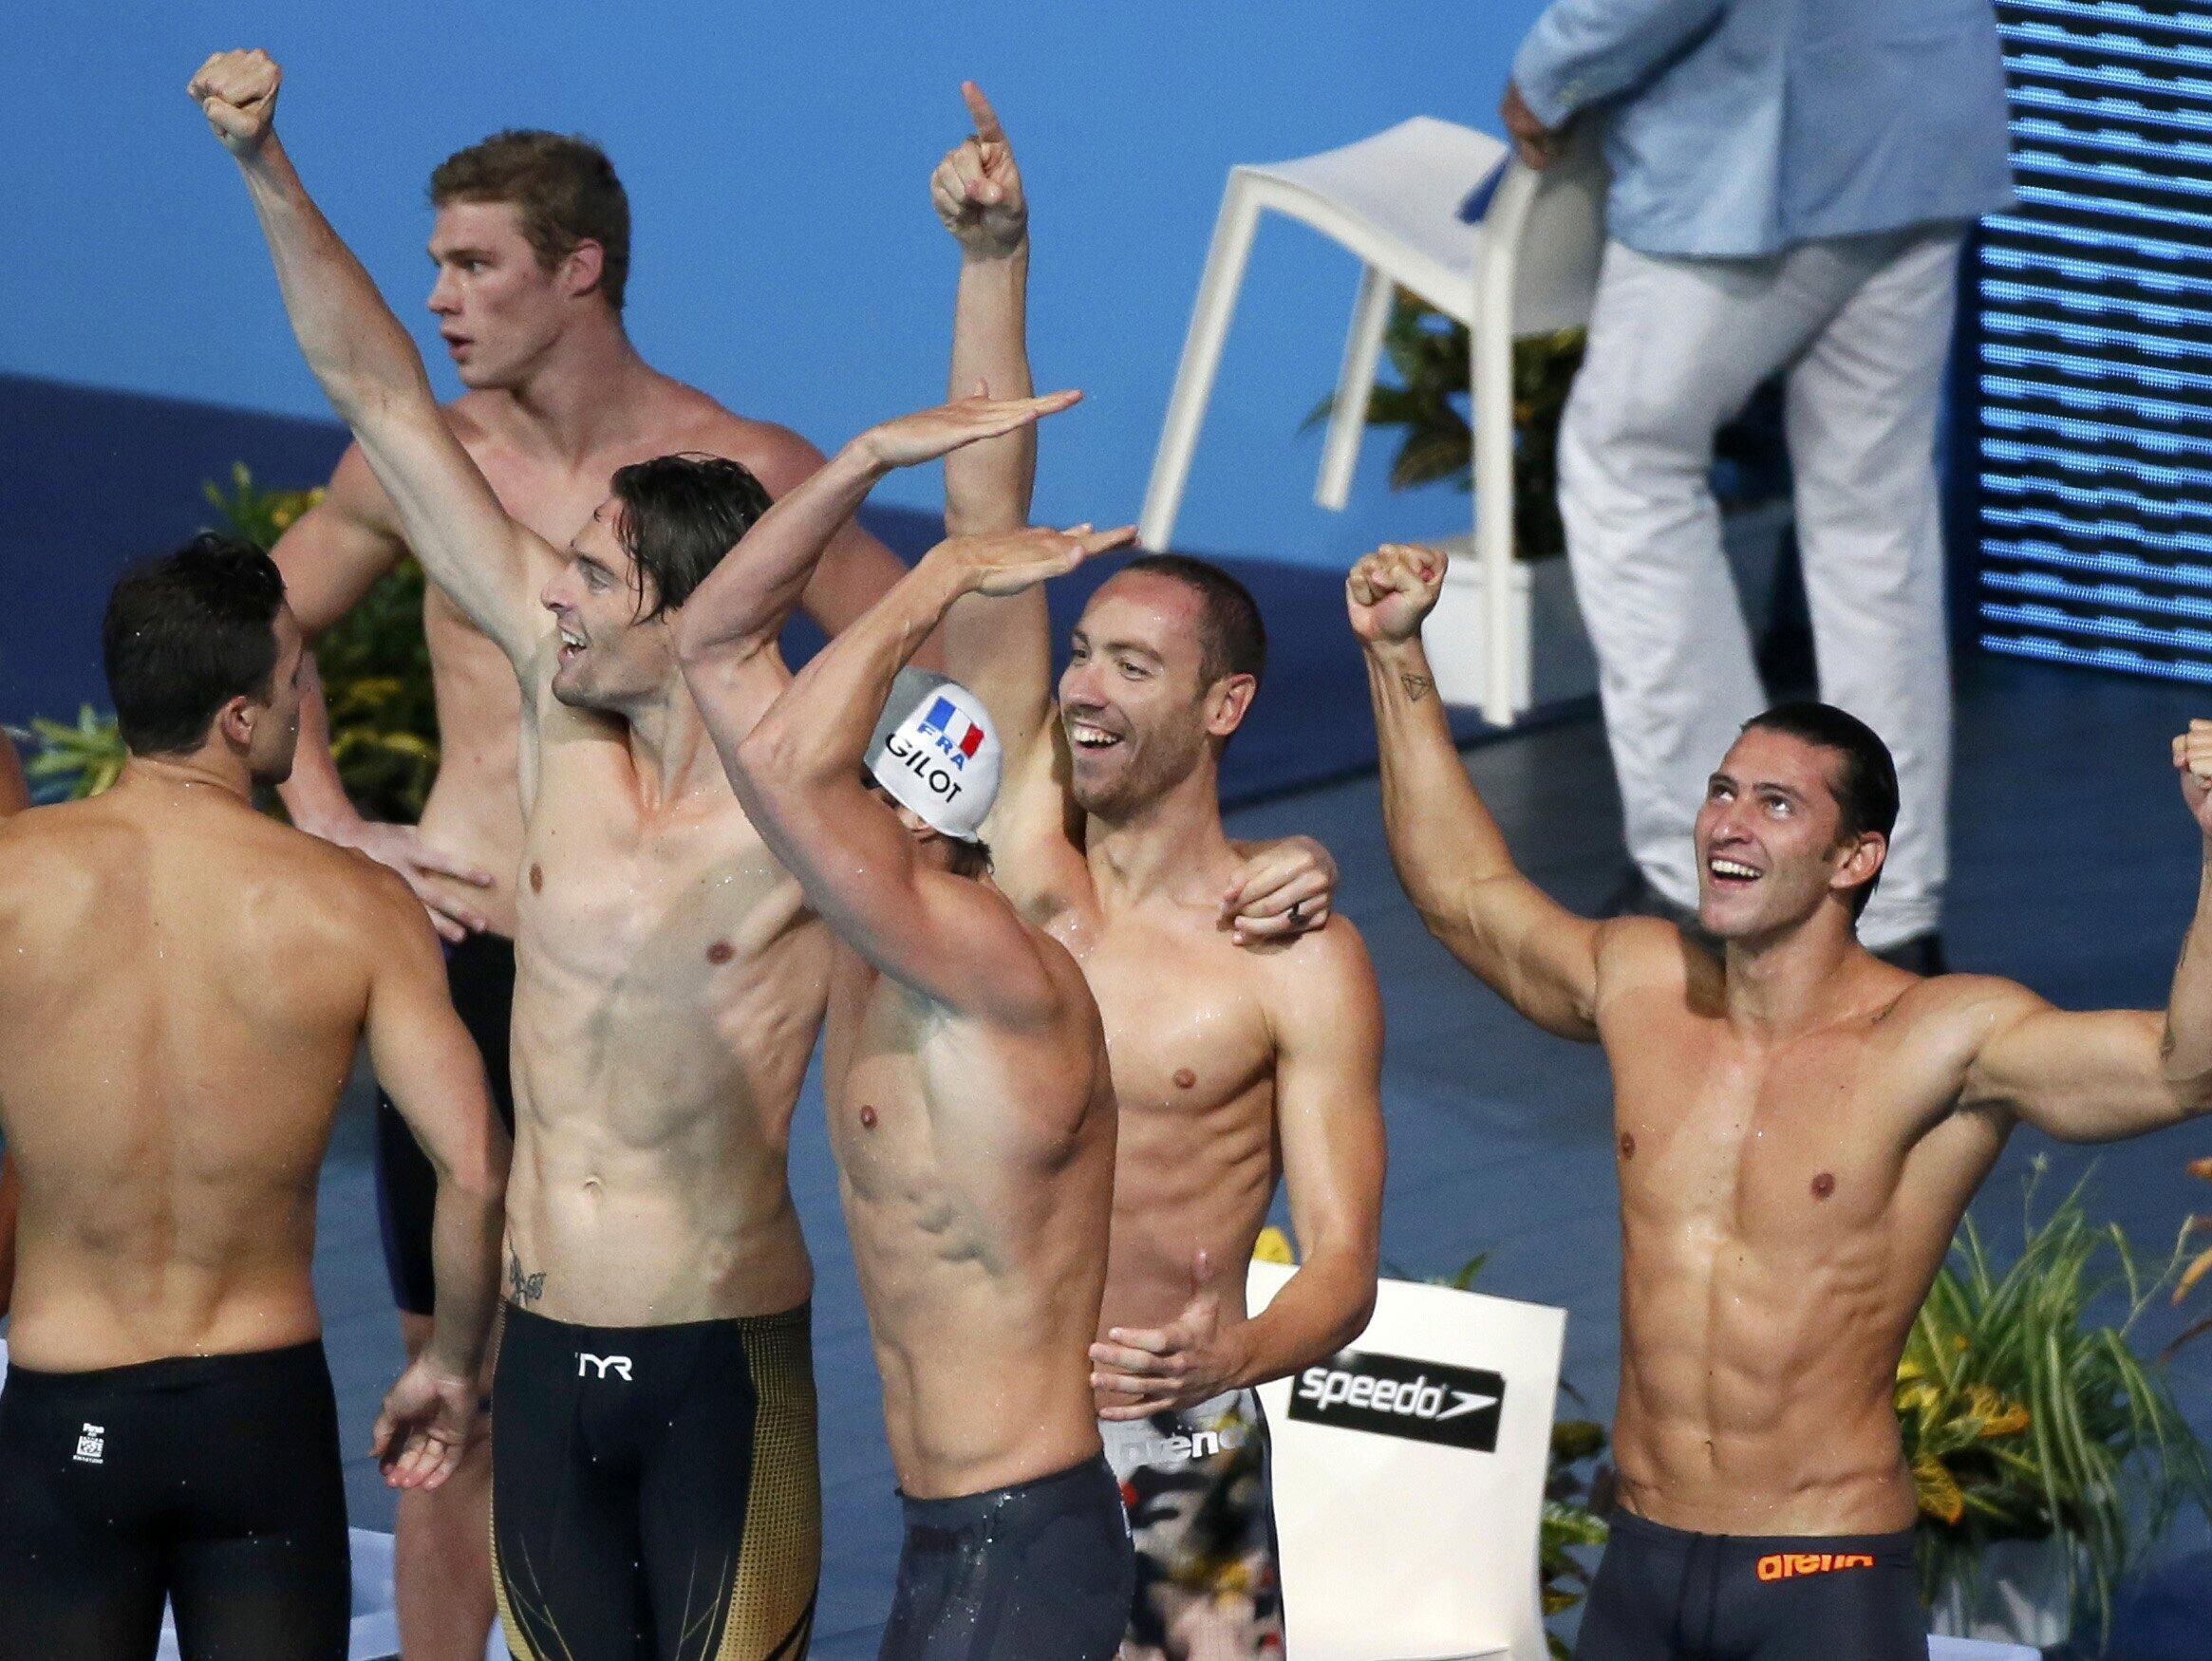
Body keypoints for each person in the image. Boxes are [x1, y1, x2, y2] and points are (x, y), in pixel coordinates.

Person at [192, 49, 880, 1657]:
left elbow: (948, 677)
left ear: (579, 270)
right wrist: (339, 832)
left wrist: (896, 861)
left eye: (473, 263)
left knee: (669, 1313)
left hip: (668, 965)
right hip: (464, 957)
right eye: (429, 263)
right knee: (456, 1371)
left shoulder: (739, 479)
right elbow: (261, 622)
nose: (441, 296)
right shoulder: (439, 473)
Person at [1351, 541, 2212, 1661]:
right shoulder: (1642, 982)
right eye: (1722, 792)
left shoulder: (1942, 1038)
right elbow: (1462, 894)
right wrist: (1398, 655)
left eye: (1775, 805)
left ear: (1851, 858)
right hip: (1638, 1552)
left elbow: (2192, 1068)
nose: (1727, 823)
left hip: (1817, 1571)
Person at [923, 91, 1387, 1655]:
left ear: (1224, 706)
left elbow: (1343, 1271)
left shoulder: (1290, 954)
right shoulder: (1021, 878)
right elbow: (980, 530)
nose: (1086, 689)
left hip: (1180, 1445)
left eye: (1133, 664)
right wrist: (995, 260)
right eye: (1082, 658)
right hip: (992, 1423)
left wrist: (1232, 1354)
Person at [0, 533, 506, 1660]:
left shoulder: (13, 879)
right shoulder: (358, 905)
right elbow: (473, 1165)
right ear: (239, 717)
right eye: (293, 681)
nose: (302, 701)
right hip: (256, 1413)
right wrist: (450, 1368)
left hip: (63, 1409)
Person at [676, 447, 1137, 1653]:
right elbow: (711, 648)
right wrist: (871, 457)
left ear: (911, 819)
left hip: (1024, 1530)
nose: (815, 831)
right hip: (944, 1528)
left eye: (855, 803)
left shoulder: (999, 970)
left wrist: (934, 575)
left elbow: (779, 760)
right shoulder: (872, 939)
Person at [1501, 0, 2015, 972]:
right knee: (1874, 521)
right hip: (1920, 119)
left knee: (1630, 465)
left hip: (1749, 157)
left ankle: (1704, 877)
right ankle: (1888, 912)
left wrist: (1549, 74)